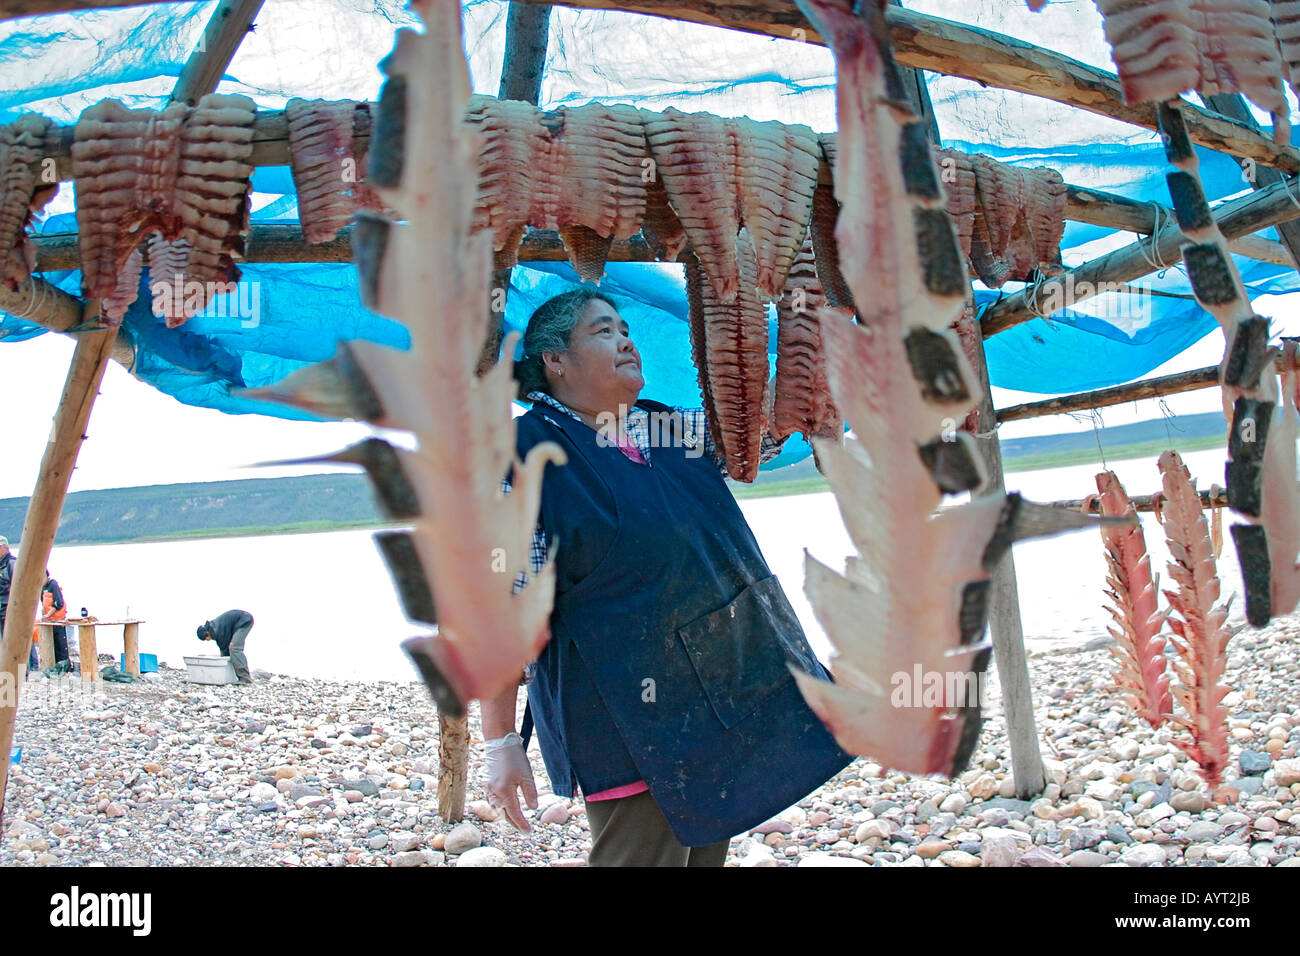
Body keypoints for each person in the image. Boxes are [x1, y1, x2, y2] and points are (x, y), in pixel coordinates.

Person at [484, 289, 852, 867]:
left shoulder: (665, 427)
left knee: (704, 854)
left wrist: (811, 348)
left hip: (717, 693)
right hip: (623, 715)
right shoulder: (520, 454)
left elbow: (761, 440)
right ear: (555, 360)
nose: (626, 339)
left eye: (625, 327)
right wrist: (501, 741)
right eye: (603, 331)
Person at [196, 609, 255, 684]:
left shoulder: (216, 631)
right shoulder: (213, 628)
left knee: (235, 648)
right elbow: (224, 647)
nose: (208, 640)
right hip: (239, 622)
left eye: (206, 638)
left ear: (207, 633)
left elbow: (224, 647)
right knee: (231, 650)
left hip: (244, 621)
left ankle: (245, 678)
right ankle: (235, 675)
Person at [40, 569, 70, 670]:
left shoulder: (53, 584)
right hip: (49, 620)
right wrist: (44, 615)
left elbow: (58, 603)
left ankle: (64, 666)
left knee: (60, 643)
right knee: (52, 644)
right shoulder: (42, 587)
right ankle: (54, 665)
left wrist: (48, 615)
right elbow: (42, 603)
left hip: (58, 619)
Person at [0, 537, 16, 665]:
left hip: (10, 608)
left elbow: (18, 587)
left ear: (6, 548)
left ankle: (23, 668)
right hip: (1, 608)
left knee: (13, 640)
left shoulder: (12, 563)